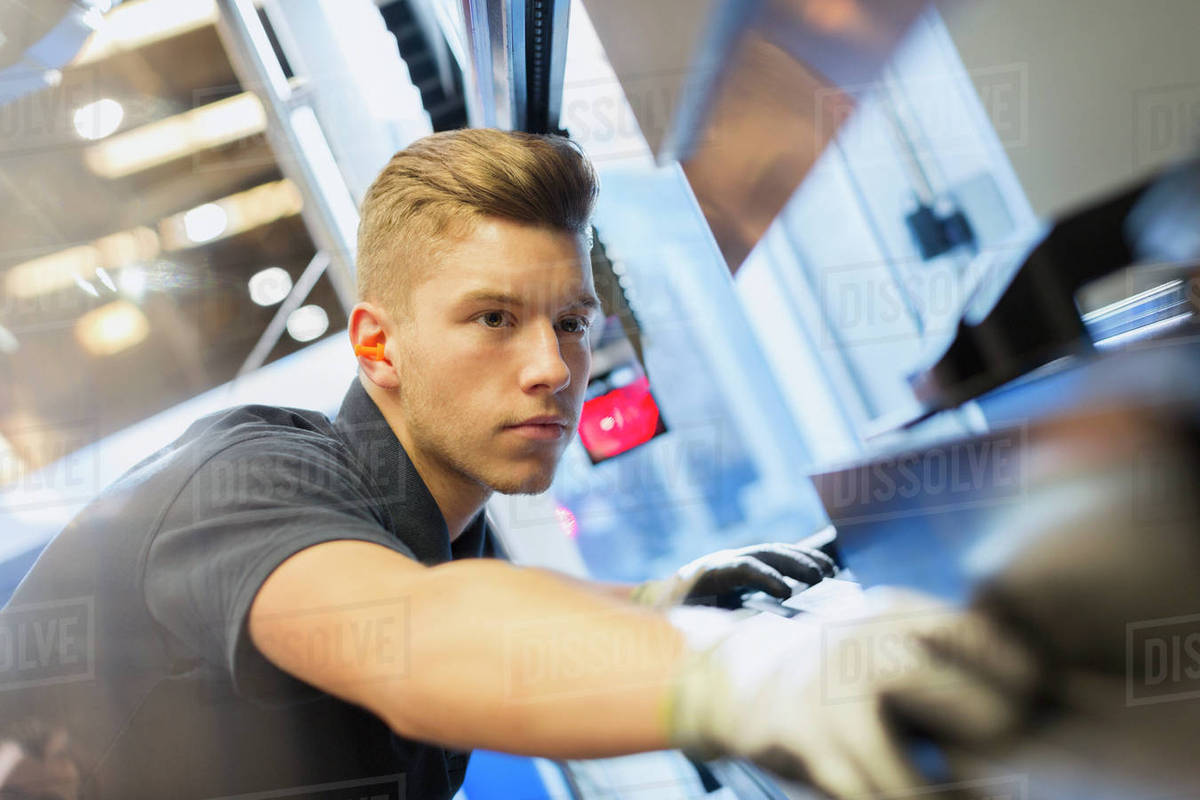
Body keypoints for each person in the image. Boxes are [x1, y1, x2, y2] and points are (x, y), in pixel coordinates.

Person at [0, 129, 1036, 800]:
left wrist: (652, 604)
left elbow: (445, 606)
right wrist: (738, 672)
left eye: (572, 323)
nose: (553, 367)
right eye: (492, 318)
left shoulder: (433, 538)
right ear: (376, 345)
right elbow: (411, 639)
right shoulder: (250, 477)